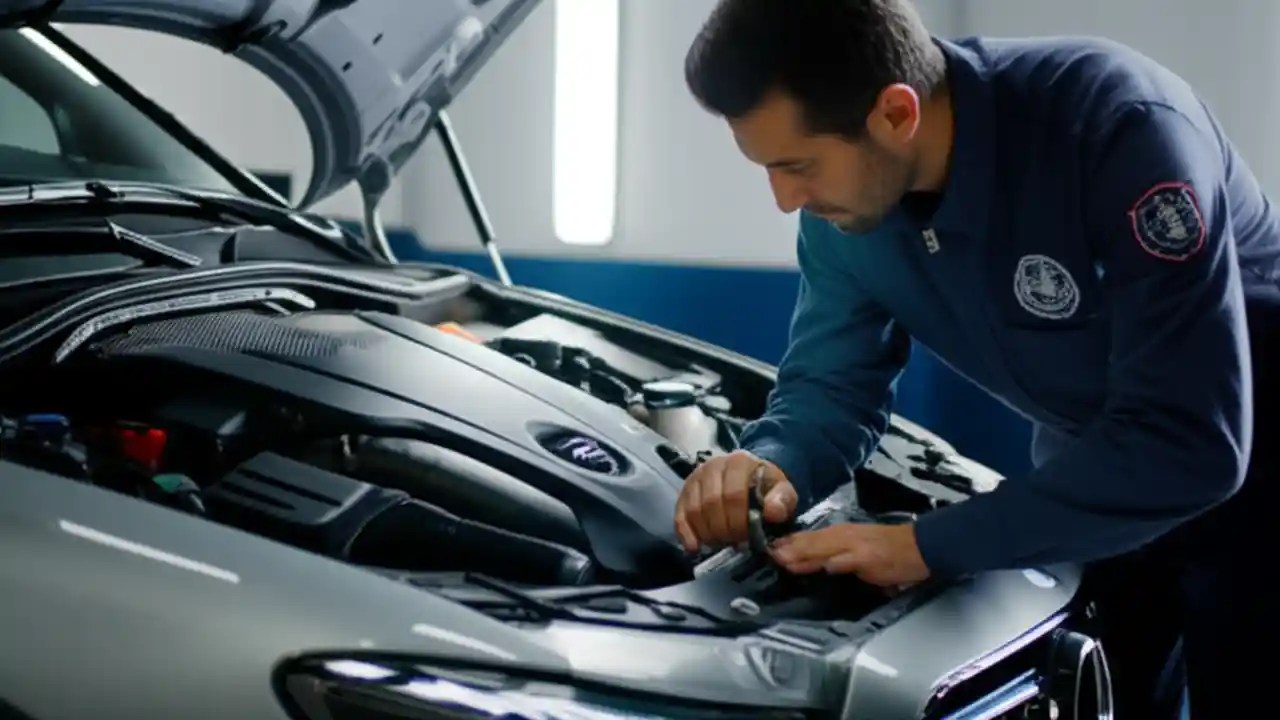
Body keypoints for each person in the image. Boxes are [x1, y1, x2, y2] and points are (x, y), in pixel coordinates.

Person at [674, 0, 1280, 717]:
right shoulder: (843, 218)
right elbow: (830, 387)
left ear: (896, 114)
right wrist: (773, 466)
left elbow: (1192, 442)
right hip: (1091, 495)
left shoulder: (1118, 130)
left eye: (797, 165)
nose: (785, 200)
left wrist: (930, 544)